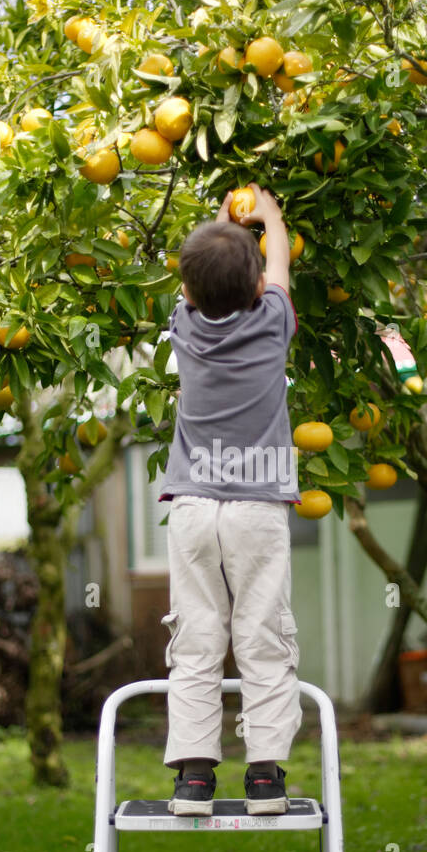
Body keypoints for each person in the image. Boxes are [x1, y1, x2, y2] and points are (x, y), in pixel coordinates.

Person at [158, 183, 302, 817]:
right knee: (261, 633)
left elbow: (211, 278)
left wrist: (224, 225)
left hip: (191, 507)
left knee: (197, 636)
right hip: (255, 508)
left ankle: (193, 777)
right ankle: (265, 775)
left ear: (187, 292)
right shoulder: (272, 325)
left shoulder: (183, 328)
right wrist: (267, 218)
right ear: (254, 292)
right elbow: (277, 271)